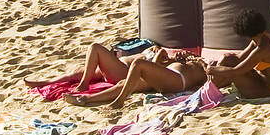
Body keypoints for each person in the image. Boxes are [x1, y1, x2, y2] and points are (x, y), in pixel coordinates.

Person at [31, 45, 209, 107]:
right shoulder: (169, 60)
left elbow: (213, 73)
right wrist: (166, 57)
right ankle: (85, 97)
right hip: (162, 76)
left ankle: (115, 100)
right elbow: (158, 63)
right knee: (123, 79)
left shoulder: (200, 64)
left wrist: (190, 59)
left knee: (135, 68)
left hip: (175, 80)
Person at [205, 10, 270, 98]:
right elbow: (239, 58)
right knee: (227, 58)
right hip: (259, 80)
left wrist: (211, 69)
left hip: (266, 90)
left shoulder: (263, 48)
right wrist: (218, 64)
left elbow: (236, 71)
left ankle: (208, 90)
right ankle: (209, 88)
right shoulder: (260, 38)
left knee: (226, 69)